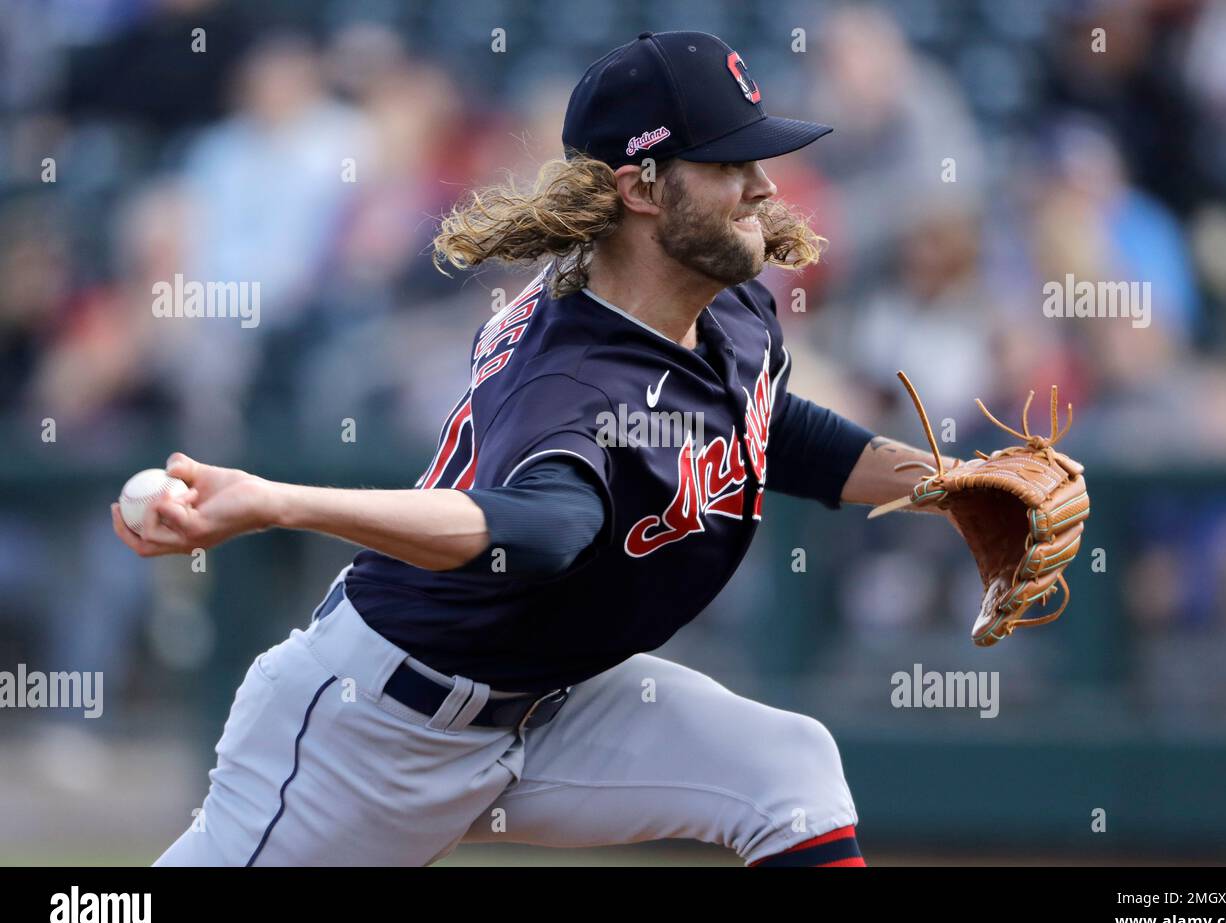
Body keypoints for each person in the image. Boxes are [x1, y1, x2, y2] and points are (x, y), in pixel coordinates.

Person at [114, 31, 958, 867]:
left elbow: (772, 427)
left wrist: (950, 485)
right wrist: (279, 502)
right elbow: (543, 529)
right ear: (643, 189)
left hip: (555, 707)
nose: (764, 185)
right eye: (730, 163)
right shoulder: (577, 376)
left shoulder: (727, 307)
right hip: (377, 731)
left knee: (787, 771)